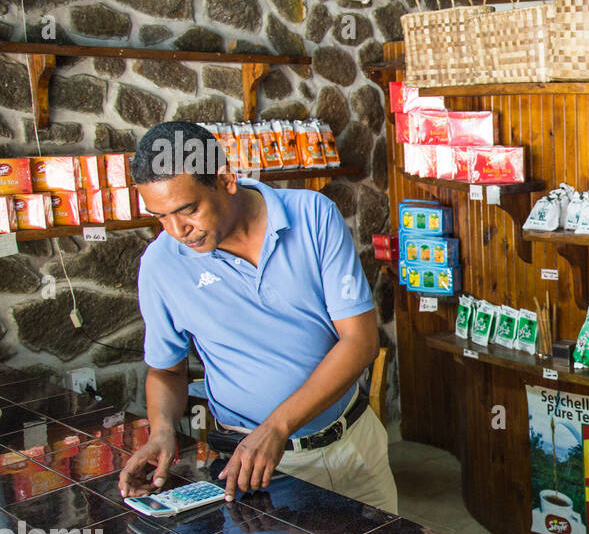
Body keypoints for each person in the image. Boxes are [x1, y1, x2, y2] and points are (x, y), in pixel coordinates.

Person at [117, 120, 398, 512]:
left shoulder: (314, 214)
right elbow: (167, 370)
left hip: (354, 448)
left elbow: (361, 341)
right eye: (160, 217)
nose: (178, 230)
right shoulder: (161, 265)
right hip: (254, 470)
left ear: (227, 179)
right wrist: (162, 431)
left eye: (188, 210)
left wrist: (277, 426)